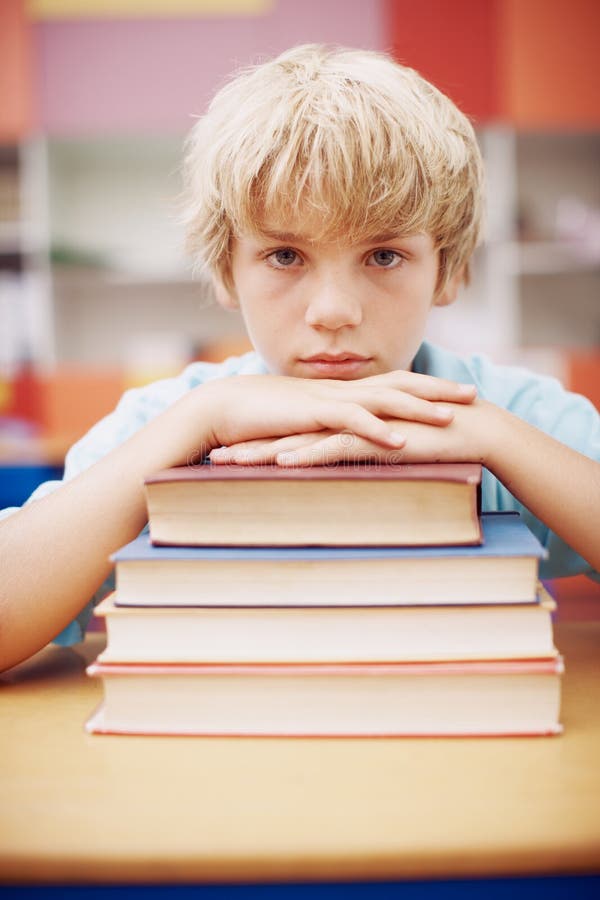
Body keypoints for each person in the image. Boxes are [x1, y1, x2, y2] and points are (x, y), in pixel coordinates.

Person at [0, 44, 598, 671]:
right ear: (226, 273)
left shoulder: (513, 413)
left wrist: (499, 440)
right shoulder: (166, 419)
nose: (334, 311)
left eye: (384, 255)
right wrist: (192, 424)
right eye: (285, 256)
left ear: (447, 270)